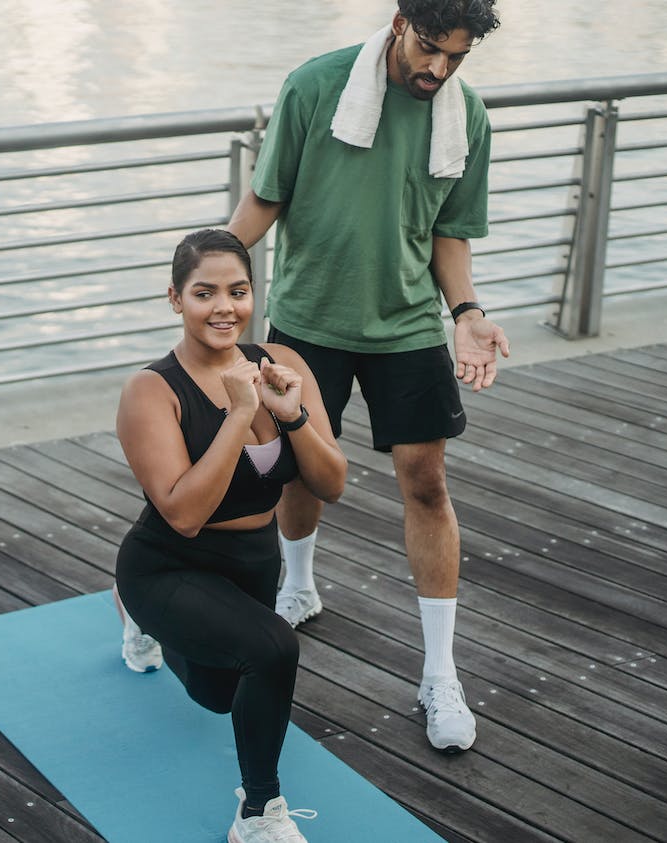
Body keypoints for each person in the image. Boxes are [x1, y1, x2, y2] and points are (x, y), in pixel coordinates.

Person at [225, 0, 509, 754]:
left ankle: (439, 672)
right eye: (428, 49)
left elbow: (450, 233)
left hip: (409, 324)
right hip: (309, 319)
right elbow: (267, 198)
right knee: (298, 471)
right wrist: (213, 264)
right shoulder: (315, 87)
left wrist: (468, 312)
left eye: (455, 57)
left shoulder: (467, 116)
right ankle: (299, 584)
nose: (438, 70)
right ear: (398, 22)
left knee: (427, 482)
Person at [114, 229, 346, 843]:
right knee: (271, 649)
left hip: (252, 563)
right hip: (168, 564)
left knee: (221, 696)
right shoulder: (151, 390)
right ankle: (258, 814)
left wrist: (290, 414)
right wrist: (239, 413)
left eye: (239, 291)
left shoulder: (283, 364)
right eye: (204, 292)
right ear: (175, 299)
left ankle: (145, 627)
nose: (225, 307)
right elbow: (183, 514)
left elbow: (332, 483)